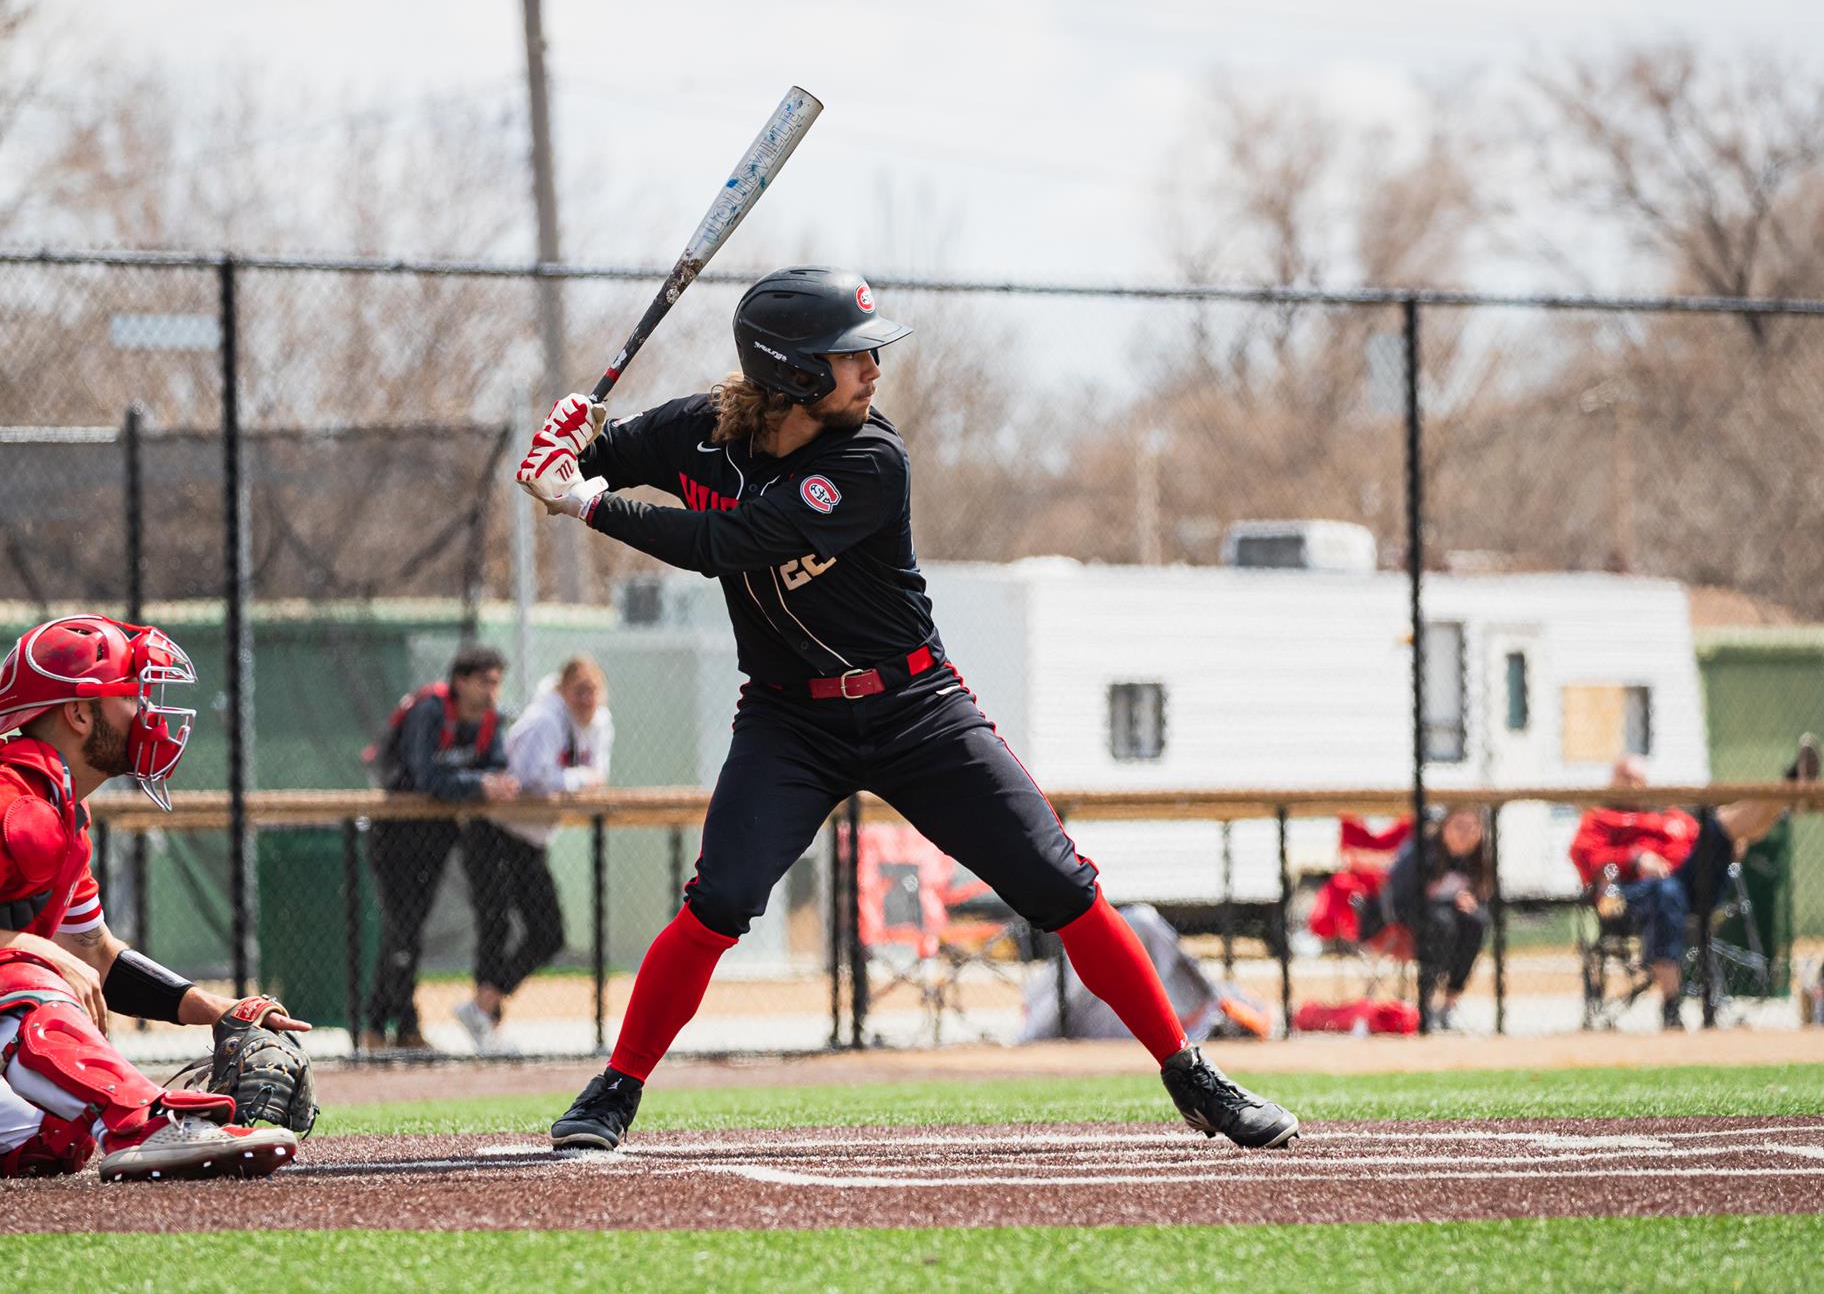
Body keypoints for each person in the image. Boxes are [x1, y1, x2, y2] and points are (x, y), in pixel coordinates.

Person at [513, 266, 1298, 1150]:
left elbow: (723, 543)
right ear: (795, 372)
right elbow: (596, 455)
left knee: (1063, 886)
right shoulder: (697, 432)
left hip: (915, 707)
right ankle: (615, 1090)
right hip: (789, 721)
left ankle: (1192, 1075)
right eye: (851, 357)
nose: (873, 369)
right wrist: (571, 440)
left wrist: (581, 499)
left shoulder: (869, 459)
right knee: (719, 899)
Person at [0, 614, 305, 1181]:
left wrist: (215, 1010)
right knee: (18, 976)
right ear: (79, 712)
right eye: (133, 693)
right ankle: (147, 1125)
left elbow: (94, 954)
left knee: (56, 1135)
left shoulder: (53, 809)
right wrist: (34, 950)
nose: (148, 711)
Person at [1569, 739, 1817, 1030]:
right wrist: (1635, 858)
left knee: (1720, 829)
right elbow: (1584, 856)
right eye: (1627, 779)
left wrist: (1735, 842)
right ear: (1613, 781)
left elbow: (1729, 836)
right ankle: (1788, 789)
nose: (1634, 786)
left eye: (1639, 780)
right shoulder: (1602, 820)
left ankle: (1788, 792)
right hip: (1633, 894)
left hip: (1688, 885)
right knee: (1667, 888)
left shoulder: (1669, 817)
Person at [366, 644, 527, 1050]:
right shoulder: (431, 711)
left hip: (439, 831)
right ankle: (383, 1024)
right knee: (403, 928)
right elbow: (426, 777)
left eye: (497, 682)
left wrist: (481, 783)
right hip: (398, 830)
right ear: (461, 681)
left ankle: (396, 1026)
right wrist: (476, 785)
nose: (492, 690)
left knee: (411, 928)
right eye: (484, 681)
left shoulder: (489, 720)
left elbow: (495, 766)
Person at [452, 655, 613, 1054]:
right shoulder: (545, 720)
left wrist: (575, 783)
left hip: (532, 838)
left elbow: (600, 774)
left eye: (592, 690)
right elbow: (534, 780)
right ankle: (487, 1024)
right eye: (579, 689)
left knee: (548, 932)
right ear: (562, 689)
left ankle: (480, 1008)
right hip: (495, 830)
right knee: (495, 923)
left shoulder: (599, 725)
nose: (586, 698)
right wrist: (578, 781)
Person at [1364, 807, 1490, 1031]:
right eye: (1459, 826)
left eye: (1472, 828)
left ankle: (1448, 1005)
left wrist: (1468, 900)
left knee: (1476, 921)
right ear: (1444, 827)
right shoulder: (1423, 850)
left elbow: (1481, 897)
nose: (1465, 833)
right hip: (1407, 920)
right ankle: (1426, 1005)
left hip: (1451, 923)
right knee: (1442, 923)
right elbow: (1401, 898)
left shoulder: (1476, 859)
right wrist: (1448, 901)